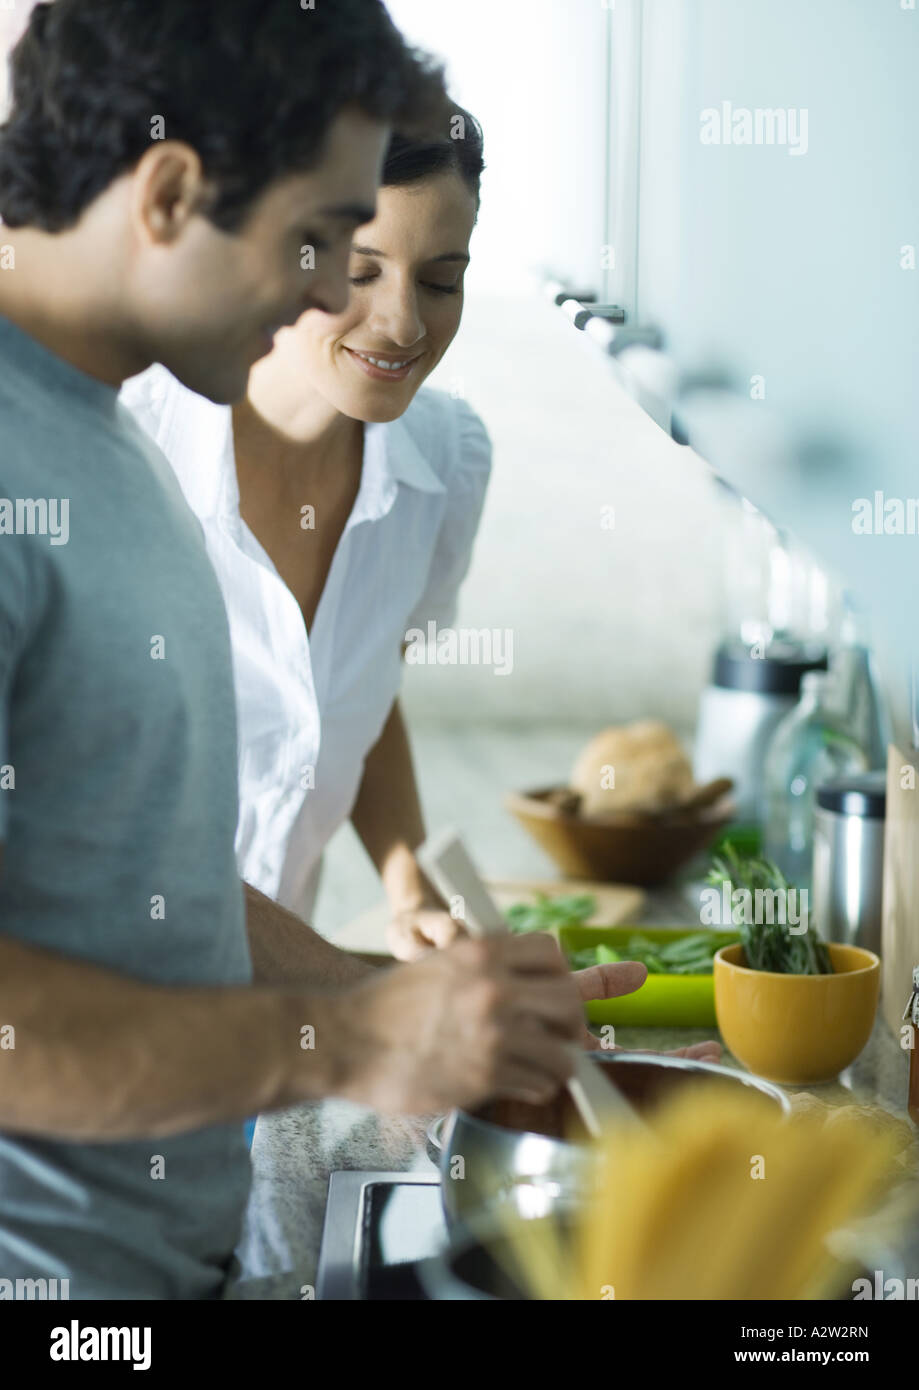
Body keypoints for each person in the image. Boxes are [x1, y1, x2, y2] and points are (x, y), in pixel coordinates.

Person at [0, 0, 634, 1301]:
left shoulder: (98, 426)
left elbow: (133, 876)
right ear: (170, 190)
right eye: (318, 238)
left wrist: (410, 1003)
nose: (335, 293)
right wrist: (338, 1037)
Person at [121, 113, 491, 962]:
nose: (402, 323)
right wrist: (363, 1004)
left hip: (280, 1007)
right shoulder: (124, 452)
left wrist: (408, 882)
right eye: (359, 271)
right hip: (102, 1021)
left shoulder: (447, 463)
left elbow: (362, 683)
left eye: (441, 281)